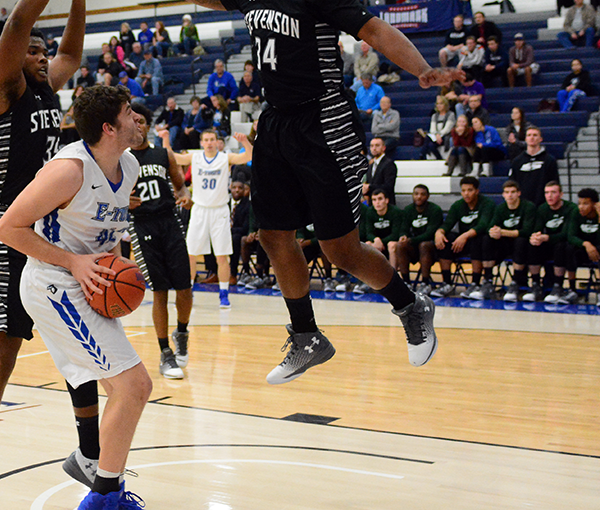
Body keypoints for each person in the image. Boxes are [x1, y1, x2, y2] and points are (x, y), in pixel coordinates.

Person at [189, 0, 455, 381]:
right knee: (272, 235)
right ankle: (306, 335)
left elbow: (376, 30)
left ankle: (410, 305)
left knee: (339, 249)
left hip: (325, 122)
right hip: (276, 121)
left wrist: (423, 69)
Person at [0, 0, 89, 507]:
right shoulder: (1, 90)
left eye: (43, 53)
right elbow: (18, 24)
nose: (42, 55)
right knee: (0, 358)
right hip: (4, 233)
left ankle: (89, 455)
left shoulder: (48, 83)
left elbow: (71, 47)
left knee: (78, 339)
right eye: (31, 51)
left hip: (48, 233)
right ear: (10, 57)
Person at [0, 84, 150, 510]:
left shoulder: (129, 165)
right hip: (53, 286)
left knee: (127, 386)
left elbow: (111, 238)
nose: (137, 118)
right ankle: (102, 497)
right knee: (133, 385)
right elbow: (8, 229)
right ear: (108, 128)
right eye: (128, 113)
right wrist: (73, 263)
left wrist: (117, 279)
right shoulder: (69, 170)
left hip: (90, 285)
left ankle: (96, 473)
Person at [127, 103, 192, 380]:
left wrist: (185, 195)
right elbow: (109, 195)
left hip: (170, 221)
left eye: (141, 120)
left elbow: (180, 185)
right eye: (132, 121)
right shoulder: (120, 159)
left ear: (148, 125)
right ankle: (165, 352)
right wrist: (122, 202)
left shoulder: (163, 154)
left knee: (185, 287)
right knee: (160, 291)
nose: (137, 125)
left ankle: (182, 331)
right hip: (142, 225)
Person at [158, 129, 252, 308]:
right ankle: (189, 290)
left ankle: (224, 293)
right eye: (206, 140)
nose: (209, 143)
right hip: (199, 210)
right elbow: (171, 157)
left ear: (217, 142)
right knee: (191, 254)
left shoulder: (226, 158)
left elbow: (248, 156)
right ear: (201, 143)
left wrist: (245, 141)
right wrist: (165, 138)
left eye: (212, 140)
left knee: (221, 256)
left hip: (219, 211)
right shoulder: (195, 157)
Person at [432, 177, 494, 298]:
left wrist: (464, 236)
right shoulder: (458, 205)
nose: (466, 193)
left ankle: (475, 283)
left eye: (470, 190)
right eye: (463, 190)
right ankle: (447, 283)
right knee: (446, 239)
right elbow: (448, 224)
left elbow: (483, 225)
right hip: (462, 244)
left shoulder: (487, 204)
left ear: (477, 191)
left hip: (481, 244)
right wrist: (439, 233)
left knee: (478, 238)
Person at [477, 180, 536, 301]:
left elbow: (527, 231)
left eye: (513, 192)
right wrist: (493, 232)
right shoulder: (500, 208)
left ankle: (515, 283)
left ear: (519, 193)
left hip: (522, 247)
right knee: (487, 238)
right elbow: (491, 226)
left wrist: (503, 232)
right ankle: (487, 281)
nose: (510, 195)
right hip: (504, 245)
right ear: (503, 194)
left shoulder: (528, 207)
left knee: (521, 240)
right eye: (507, 192)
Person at [527, 181, 576, 302]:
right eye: (547, 193)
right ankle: (535, 285)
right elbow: (537, 228)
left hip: (564, 245)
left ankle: (557, 286)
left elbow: (567, 234)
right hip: (547, 244)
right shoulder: (542, 209)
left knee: (561, 246)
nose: (549, 196)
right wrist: (535, 236)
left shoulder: (571, 208)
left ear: (561, 194)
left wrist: (546, 237)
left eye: (553, 192)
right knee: (532, 245)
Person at [550, 188, 600, 304]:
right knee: (568, 247)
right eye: (579, 203)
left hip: (597, 251)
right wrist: (586, 244)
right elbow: (571, 236)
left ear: (595, 204)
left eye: (585, 204)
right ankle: (572, 290)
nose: (581, 207)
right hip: (583, 250)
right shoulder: (576, 213)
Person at [395, 185, 444, 294]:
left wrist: (411, 240)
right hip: (413, 247)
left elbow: (430, 233)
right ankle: (406, 282)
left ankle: (425, 283)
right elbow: (404, 228)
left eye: (422, 194)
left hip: (431, 248)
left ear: (427, 196)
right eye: (416, 194)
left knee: (424, 245)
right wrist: (403, 236)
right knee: (399, 245)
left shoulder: (435, 210)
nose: (419, 197)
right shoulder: (408, 210)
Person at [509, 127, 559, 206]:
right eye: (529, 135)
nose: (532, 138)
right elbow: (512, 184)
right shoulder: (517, 162)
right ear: (525, 139)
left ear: (540, 139)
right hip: (523, 207)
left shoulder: (549, 160)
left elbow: (555, 184)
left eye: (535, 135)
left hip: (543, 206)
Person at [421, 96, 456, 160]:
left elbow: (447, 129)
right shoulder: (434, 115)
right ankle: (424, 155)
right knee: (428, 140)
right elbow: (432, 129)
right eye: (437, 104)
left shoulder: (451, 115)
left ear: (445, 105)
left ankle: (424, 156)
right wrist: (437, 135)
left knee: (431, 145)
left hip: (445, 135)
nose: (439, 106)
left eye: (441, 104)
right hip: (436, 136)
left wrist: (439, 135)